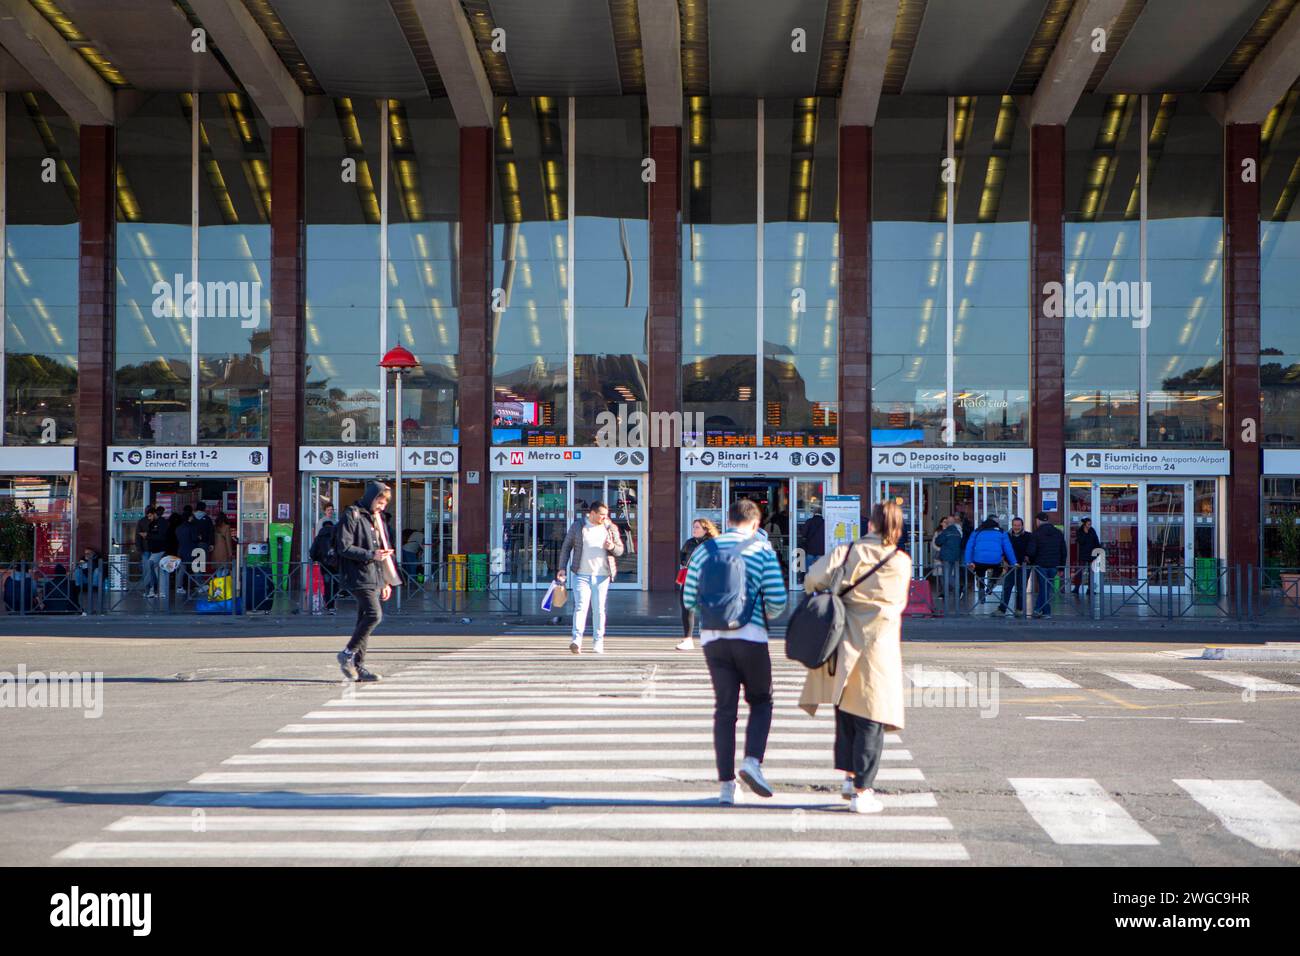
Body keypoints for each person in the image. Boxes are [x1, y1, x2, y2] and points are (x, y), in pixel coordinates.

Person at [799, 500, 912, 814]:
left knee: (846, 708)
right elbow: (899, 602)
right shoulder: (901, 561)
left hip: (841, 641)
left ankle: (850, 778)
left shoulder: (846, 553)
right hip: (879, 645)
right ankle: (863, 791)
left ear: (870, 524)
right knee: (871, 718)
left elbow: (812, 579)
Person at [681, 498, 788, 805]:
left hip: (713, 638)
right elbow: (778, 600)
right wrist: (763, 612)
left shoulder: (705, 550)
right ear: (755, 524)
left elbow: (688, 597)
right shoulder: (761, 549)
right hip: (751, 636)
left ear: (727, 520)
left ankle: (727, 787)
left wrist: (710, 612)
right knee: (761, 700)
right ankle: (752, 762)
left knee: (725, 709)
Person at [336, 480, 398, 682]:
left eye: (384, 503)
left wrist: (385, 581)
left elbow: (381, 550)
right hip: (358, 575)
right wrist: (372, 554)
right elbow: (343, 547)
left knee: (363, 620)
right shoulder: (352, 515)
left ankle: (358, 667)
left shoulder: (375, 518)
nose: (383, 506)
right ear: (371, 498)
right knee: (373, 615)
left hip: (373, 575)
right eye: (380, 502)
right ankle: (347, 653)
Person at [557, 501, 625, 655]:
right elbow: (566, 547)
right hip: (581, 575)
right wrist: (562, 567)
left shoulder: (610, 528)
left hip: (602, 576)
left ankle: (598, 641)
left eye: (606, 515)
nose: (604, 517)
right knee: (580, 607)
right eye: (601, 515)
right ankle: (576, 640)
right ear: (592, 513)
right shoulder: (578, 526)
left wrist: (612, 547)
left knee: (599, 609)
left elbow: (620, 550)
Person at [675, 517, 720, 651]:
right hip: (689, 577)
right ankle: (688, 639)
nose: (694, 530)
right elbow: (682, 558)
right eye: (694, 527)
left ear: (706, 529)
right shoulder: (689, 543)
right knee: (686, 607)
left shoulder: (712, 543)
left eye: (697, 527)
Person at [964, 516, 1017, 605]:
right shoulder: (1001, 532)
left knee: (980, 571)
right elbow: (1008, 549)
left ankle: (981, 587)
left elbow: (969, 547)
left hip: (979, 559)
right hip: (995, 560)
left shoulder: (977, 532)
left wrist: (968, 561)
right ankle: (991, 583)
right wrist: (1014, 562)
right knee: (998, 569)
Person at [1027, 512, 1068, 619]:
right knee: (1046, 588)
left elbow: (1031, 551)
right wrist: (1061, 567)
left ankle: (1046, 612)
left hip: (1041, 565)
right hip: (1054, 565)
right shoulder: (1058, 533)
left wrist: (1031, 561)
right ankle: (1037, 609)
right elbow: (1063, 551)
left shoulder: (1036, 534)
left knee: (1044, 588)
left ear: (1038, 521)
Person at [997, 517, 1031, 616]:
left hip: (1023, 566)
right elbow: (1002, 549)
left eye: (1018, 525)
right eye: (1015, 525)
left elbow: (1031, 549)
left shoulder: (1028, 536)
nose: (1016, 527)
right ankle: (1002, 609)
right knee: (1007, 588)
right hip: (1009, 566)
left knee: (1021, 589)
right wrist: (1003, 561)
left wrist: (1027, 558)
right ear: (1012, 525)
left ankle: (1019, 610)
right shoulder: (1006, 536)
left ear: (1022, 526)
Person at [934, 515, 964, 615]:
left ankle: (957, 588)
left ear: (948, 523)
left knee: (946, 576)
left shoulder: (946, 532)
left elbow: (938, 541)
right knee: (950, 575)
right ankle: (954, 592)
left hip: (946, 557)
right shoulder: (957, 532)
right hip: (956, 557)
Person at [310, 518, 340, 614]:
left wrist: (316, 559)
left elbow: (312, 551)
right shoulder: (337, 535)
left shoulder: (319, 537)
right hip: (336, 565)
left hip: (325, 565)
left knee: (327, 585)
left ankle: (329, 604)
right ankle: (332, 604)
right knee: (335, 584)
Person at [1073, 517, 1102, 595]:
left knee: (1091, 572)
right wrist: (1085, 533)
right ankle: (1076, 588)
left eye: (1090, 524)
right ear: (1084, 524)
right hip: (1083, 554)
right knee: (1079, 571)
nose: (1090, 525)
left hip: (1092, 554)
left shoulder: (1092, 530)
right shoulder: (1080, 531)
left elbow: (1096, 540)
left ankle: (1090, 589)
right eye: (1088, 524)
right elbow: (1081, 541)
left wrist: (1098, 551)